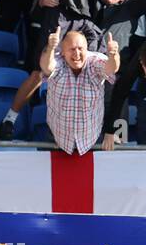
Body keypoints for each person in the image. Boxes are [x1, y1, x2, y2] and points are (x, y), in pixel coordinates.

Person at [41, 26, 121, 155]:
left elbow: (110, 68)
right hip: (57, 138)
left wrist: (113, 54)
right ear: (62, 52)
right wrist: (50, 48)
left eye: (80, 49)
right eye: (72, 49)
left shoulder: (95, 61)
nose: (77, 54)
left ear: (87, 49)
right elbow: (47, 66)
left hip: (92, 139)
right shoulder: (57, 61)